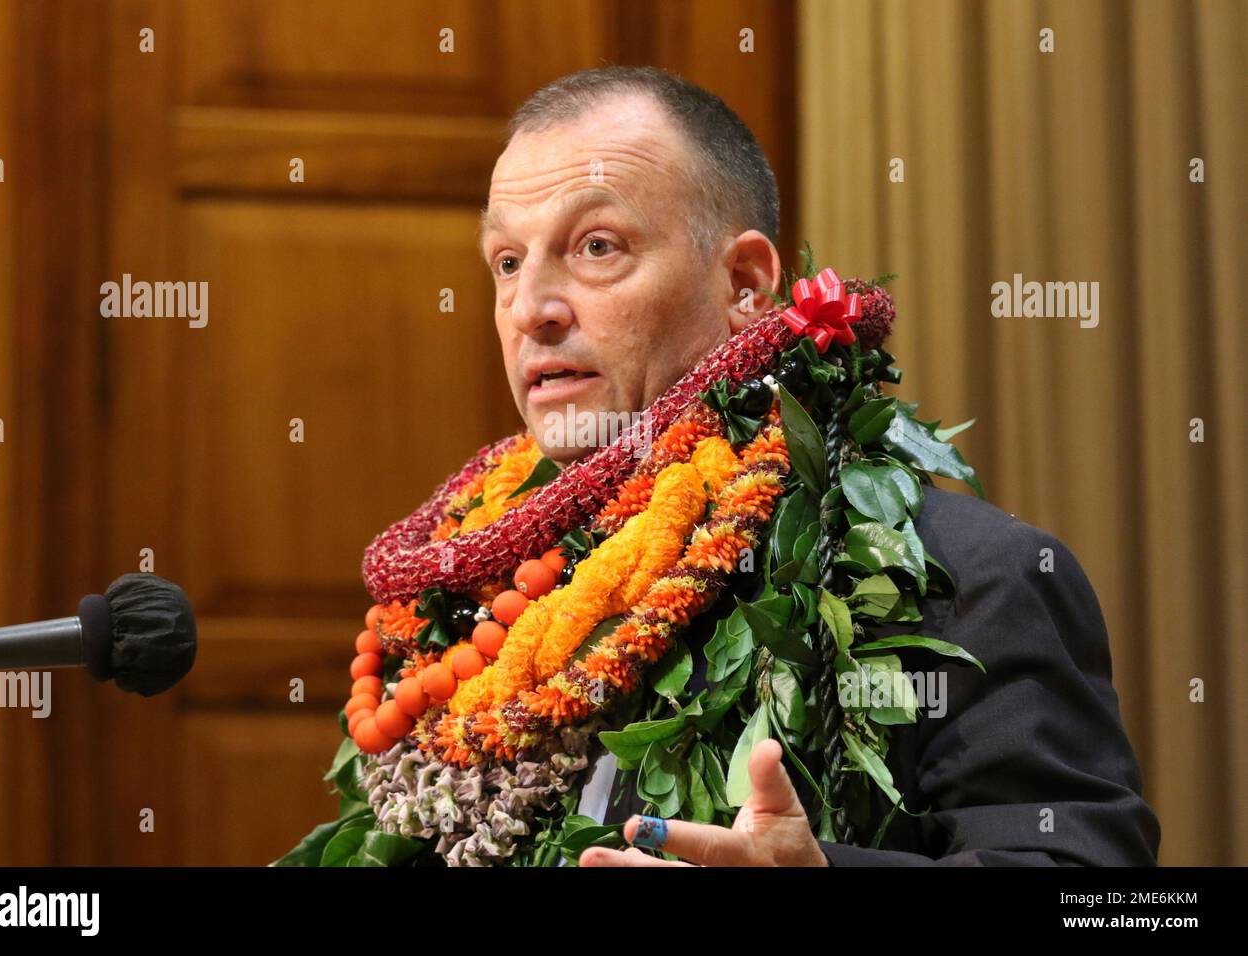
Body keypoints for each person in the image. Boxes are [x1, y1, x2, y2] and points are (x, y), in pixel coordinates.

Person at [473, 65, 1160, 866]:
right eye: (508, 261)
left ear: (746, 284)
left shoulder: (974, 581)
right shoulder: (483, 608)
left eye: (596, 246)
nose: (531, 311)